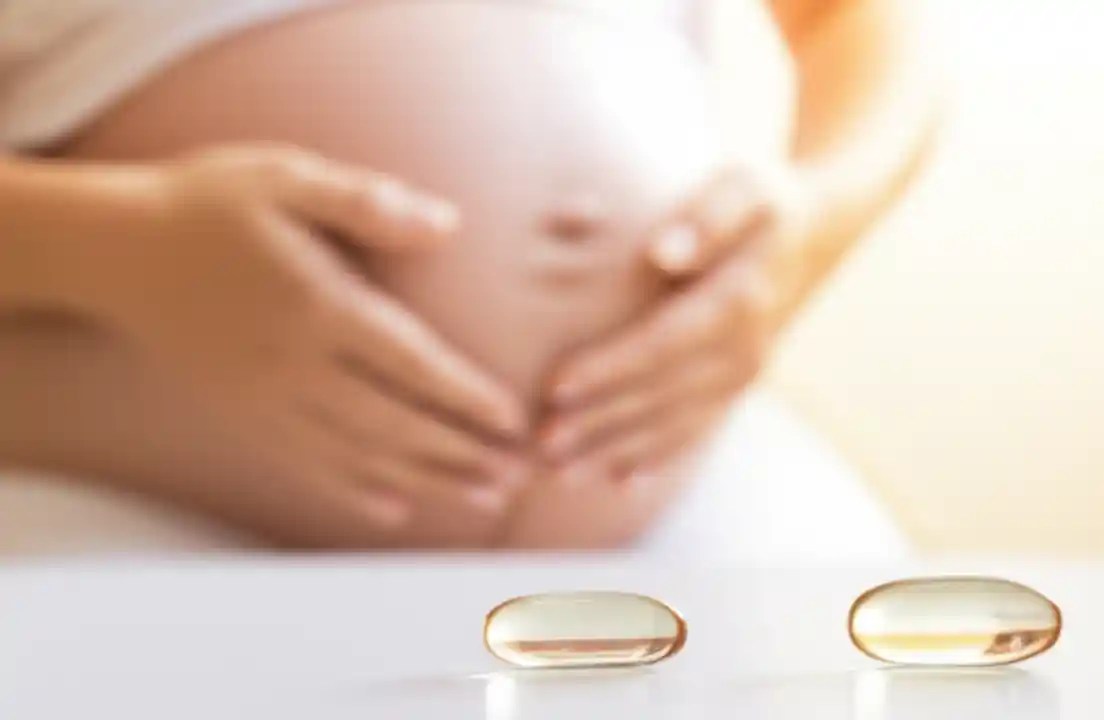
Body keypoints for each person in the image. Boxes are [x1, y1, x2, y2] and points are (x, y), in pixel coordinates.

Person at [0, 0, 933, 553]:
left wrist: (810, 222)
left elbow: (857, 22)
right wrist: (119, 244)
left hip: (680, 526)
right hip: (127, 522)